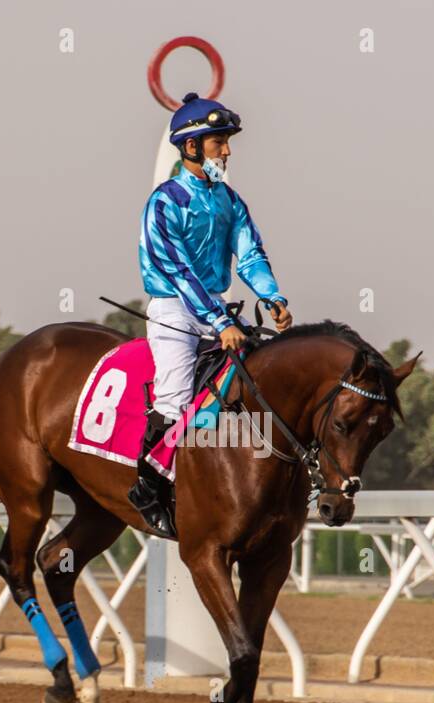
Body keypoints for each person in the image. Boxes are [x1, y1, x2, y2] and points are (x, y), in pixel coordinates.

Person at [129, 92, 293, 538]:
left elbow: (250, 254)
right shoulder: (164, 202)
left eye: (226, 141)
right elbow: (178, 272)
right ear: (191, 147)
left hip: (216, 307)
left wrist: (272, 296)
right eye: (219, 141)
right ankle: (148, 486)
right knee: (175, 397)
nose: (228, 150)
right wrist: (220, 324)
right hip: (174, 311)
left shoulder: (229, 201)